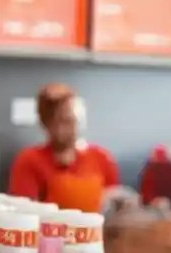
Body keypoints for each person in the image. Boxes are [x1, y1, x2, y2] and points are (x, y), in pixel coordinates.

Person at [8, 83, 119, 212]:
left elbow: (114, 210)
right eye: (64, 121)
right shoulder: (29, 161)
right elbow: (24, 216)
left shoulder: (101, 158)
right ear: (46, 124)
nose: (73, 127)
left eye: (75, 120)